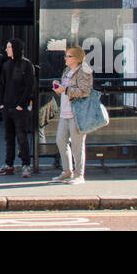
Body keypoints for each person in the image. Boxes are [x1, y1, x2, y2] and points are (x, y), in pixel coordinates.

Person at [0, 38, 36, 178]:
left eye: (9, 47)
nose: (6, 50)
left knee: (22, 136)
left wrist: (21, 105)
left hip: (19, 109)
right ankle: (9, 164)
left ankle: (26, 164)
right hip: (8, 107)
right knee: (9, 137)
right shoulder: (6, 65)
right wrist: (1, 103)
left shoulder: (26, 65)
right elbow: (2, 84)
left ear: (16, 48)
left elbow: (29, 86)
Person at [52, 46, 93, 184]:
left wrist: (67, 89)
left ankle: (79, 174)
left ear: (77, 58)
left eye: (69, 56)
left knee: (77, 144)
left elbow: (85, 91)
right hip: (65, 112)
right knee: (60, 140)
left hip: (77, 113)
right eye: (66, 56)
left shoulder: (84, 71)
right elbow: (65, 89)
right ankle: (67, 170)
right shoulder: (67, 70)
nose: (65, 58)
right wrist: (58, 88)